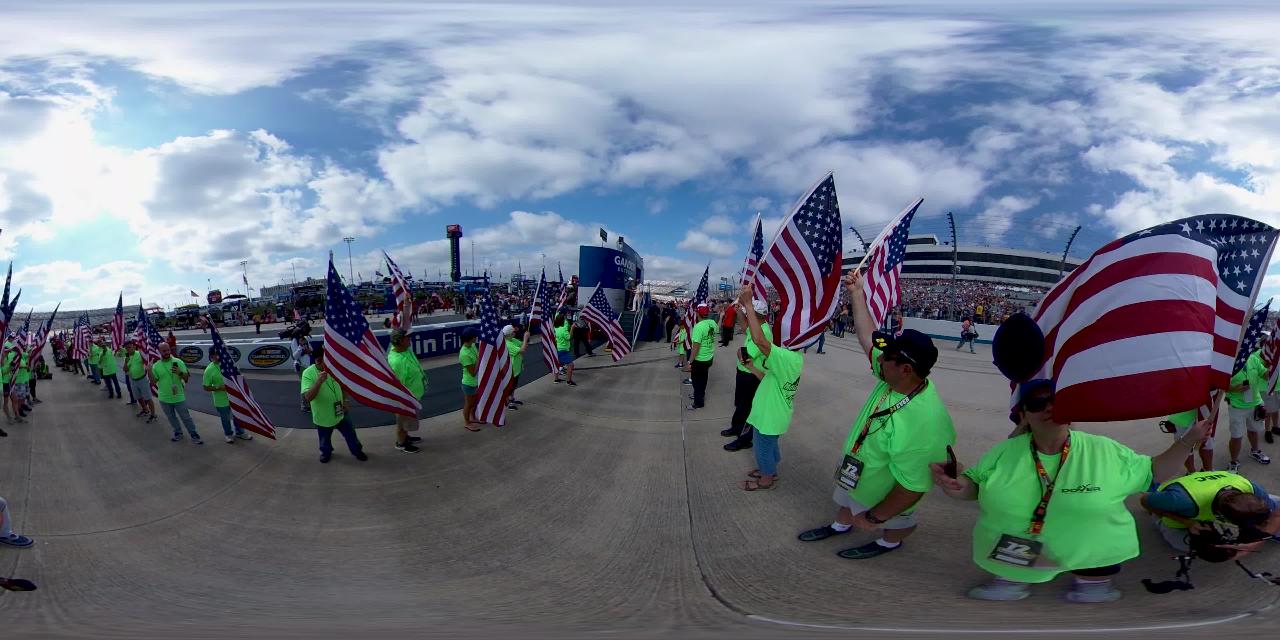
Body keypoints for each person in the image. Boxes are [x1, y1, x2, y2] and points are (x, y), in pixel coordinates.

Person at [932, 380, 1210, 603]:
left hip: (1091, 549)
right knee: (1013, 570)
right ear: (1024, 416)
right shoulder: (1005, 452)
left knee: (1092, 576)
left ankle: (1091, 583)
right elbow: (975, 487)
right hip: (1020, 548)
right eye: (1037, 403)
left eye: (1057, 400)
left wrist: (1188, 441)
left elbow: (1154, 473)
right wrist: (957, 487)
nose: (1049, 407)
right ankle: (1014, 580)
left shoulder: (1103, 449)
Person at [796, 270, 955, 560]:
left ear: (906, 368)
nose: (877, 358)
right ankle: (841, 524)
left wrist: (875, 518)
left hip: (885, 494)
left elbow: (911, 488)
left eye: (886, 357)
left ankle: (889, 542)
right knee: (845, 497)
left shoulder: (926, 421)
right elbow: (867, 337)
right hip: (858, 470)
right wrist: (857, 293)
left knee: (898, 521)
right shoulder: (893, 376)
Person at [735, 285, 804, 491]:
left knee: (762, 447)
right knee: (770, 444)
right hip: (772, 413)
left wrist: (747, 302)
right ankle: (770, 469)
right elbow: (767, 377)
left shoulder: (789, 358)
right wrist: (751, 367)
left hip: (770, 415)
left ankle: (766, 478)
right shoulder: (790, 359)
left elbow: (760, 342)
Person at [1142, 469, 1280, 553]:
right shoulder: (1180, 500)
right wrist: (1187, 522)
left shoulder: (1251, 488)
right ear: (1222, 517)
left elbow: (1273, 514)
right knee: (1184, 544)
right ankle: (1158, 521)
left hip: (1201, 489)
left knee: (1273, 505)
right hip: (1173, 499)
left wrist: (1263, 532)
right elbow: (1144, 500)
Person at [301, 346, 367, 463]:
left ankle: (357, 451)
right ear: (318, 360)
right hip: (323, 416)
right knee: (324, 439)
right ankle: (326, 453)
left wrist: (346, 401)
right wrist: (319, 382)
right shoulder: (308, 373)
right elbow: (308, 397)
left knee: (350, 434)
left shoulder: (335, 369)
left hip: (340, 411)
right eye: (327, 360)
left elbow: (344, 386)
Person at [723, 298, 771, 452]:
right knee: (740, 404)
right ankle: (736, 428)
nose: (746, 316)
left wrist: (739, 351)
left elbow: (745, 356)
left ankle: (744, 440)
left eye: (749, 314)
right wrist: (739, 309)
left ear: (755, 315)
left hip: (752, 376)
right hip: (744, 374)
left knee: (748, 408)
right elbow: (744, 327)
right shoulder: (757, 327)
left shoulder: (763, 332)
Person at [1225, 346, 1271, 472]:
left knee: (1254, 431)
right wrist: (1235, 388)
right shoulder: (1228, 362)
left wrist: (1273, 366)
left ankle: (1255, 451)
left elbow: (1265, 376)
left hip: (1255, 404)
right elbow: (1220, 385)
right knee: (1236, 437)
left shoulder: (1253, 359)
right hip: (1236, 407)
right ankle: (1234, 461)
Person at [150, 342, 203, 445]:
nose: (167, 352)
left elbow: (186, 378)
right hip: (164, 398)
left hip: (178, 397)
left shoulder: (178, 362)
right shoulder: (156, 366)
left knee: (186, 417)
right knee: (171, 418)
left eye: (168, 350)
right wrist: (148, 371)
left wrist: (179, 372)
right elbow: (153, 382)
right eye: (164, 351)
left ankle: (194, 434)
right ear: (159, 351)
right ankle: (178, 433)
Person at [202, 348, 253, 444]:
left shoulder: (229, 365)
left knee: (238, 416)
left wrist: (241, 378)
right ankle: (228, 434)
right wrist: (218, 387)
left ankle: (240, 432)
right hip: (221, 400)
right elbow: (205, 387)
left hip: (234, 397)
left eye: (217, 355)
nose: (215, 357)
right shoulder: (209, 370)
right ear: (210, 356)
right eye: (213, 356)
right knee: (225, 419)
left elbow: (237, 377)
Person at [386, 328, 424, 452]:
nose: (410, 339)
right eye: (407, 338)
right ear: (400, 341)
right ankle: (401, 443)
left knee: (406, 422)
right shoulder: (397, 362)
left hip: (413, 396)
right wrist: (406, 402)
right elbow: (399, 387)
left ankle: (406, 437)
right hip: (405, 400)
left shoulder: (405, 350)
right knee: (402, 423)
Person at [684, 303, 717, 410]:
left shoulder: (698, 327)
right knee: (703, 379)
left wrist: (689, 362)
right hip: (709, 358)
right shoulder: (712, 322)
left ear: (698, 313)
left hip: (699, 359)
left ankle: (698, 402)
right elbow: (717, 328)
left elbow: (695, 348)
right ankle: (699, 395)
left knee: (696, 381)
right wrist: (721, 317)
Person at [1161, 409, 1213, 474]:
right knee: (1202, 445)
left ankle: (1201, 473)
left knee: (1204, 445)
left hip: (1201, 415)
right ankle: (1196, 473)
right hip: (1185, 417)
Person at [124, 341, 157, 423]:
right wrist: (126, 362)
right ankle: (145, 410)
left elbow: (148, 360)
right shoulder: (126, 357)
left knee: (148, 398)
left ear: (134, 347)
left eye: (130, 347)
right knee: (138, 397)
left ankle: (153, 415)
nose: (128, 349)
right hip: (133, 380)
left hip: (142, 379)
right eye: (126, 348)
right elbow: (125, 369)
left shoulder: (140, 354)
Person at [502, 323, 530, 411]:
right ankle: (507, 403)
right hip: (511, 370)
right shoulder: (507, 344)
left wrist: (525, 341)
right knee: (510, 386)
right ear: (510, 334)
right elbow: (522, 349)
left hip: (516, 368)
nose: (515, 333)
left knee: (514, 386)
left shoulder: (513, 340)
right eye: (513, 332)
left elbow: (524, 345)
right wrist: (525, 338)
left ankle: (511, 399)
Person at [459, 327, 482, 430]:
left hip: (475, 381)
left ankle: (472, 418)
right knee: (469, 404)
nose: (476, 338)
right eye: (475, 336)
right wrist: (480, 358)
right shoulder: (464, 354)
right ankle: (467, 422)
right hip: (469, 383)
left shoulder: (472, 346)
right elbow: (473, 372)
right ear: (472, 338)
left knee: (474, 402)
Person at [552, 315, 576, 386]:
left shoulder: (555, 328)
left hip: (557, 349)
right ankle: (569, 381)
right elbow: (569, 337)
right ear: (562, 321)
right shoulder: (563, 329)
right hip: (564, 350)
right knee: (571, 365)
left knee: (557, 364)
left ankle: (556, 379)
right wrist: (572, 328)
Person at [292, 336, 312, 412]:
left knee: (310, 385)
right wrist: (300, 346)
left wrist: (306, 348)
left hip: (308, 366)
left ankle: (309, 403)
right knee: (305, 386)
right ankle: (304, 406)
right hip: (301, 366)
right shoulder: (294, 341)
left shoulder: (305, 339)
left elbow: (311, 350)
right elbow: (295, 356)